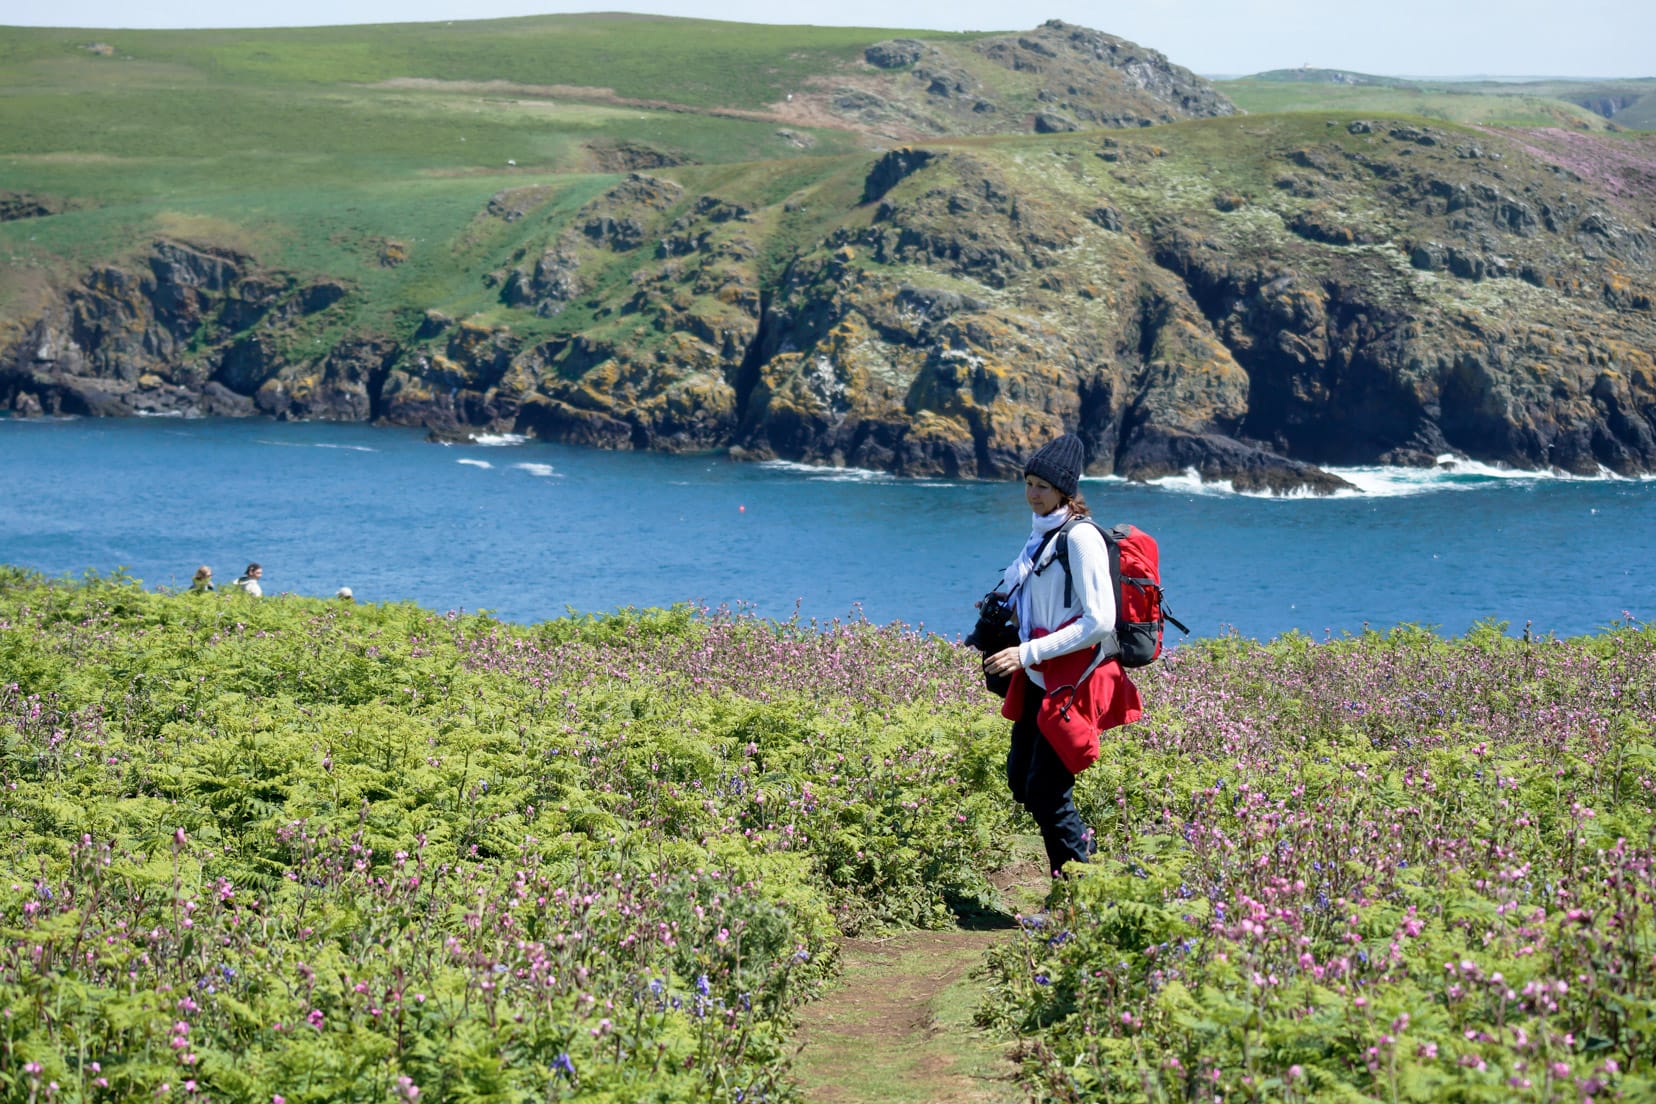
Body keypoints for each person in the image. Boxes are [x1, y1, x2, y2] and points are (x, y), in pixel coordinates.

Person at [982, 433, 1143, 878]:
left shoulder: (1080, 539)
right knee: (1022, 781)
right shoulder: (1041, 535)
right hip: (1039, 678)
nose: (1033, 494)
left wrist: (1026, 651)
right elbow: (1031, 589)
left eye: (1043, 487)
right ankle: (1090, 863)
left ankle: (1076, 896)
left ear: (1065, 491)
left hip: (1073, 680)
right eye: (1029, 483)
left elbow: (1100, 622)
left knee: (1047, 791)